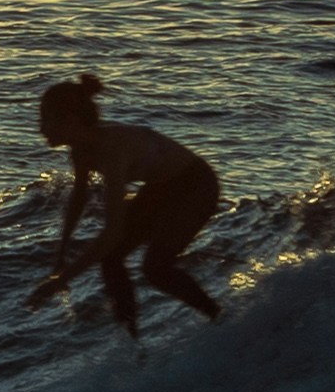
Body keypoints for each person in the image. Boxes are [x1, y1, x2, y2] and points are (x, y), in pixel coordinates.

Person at [29, 78, 230, 333]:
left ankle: (219, 318)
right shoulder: (81, 150)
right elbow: (78, 199)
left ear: (69, 120)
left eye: (45, 120)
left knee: (155, 267)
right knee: (111, 259)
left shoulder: (113, 151)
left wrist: (60, 280)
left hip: (196, 185)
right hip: (161, 187)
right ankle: (130, 339)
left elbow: (111, 233)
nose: (41, 129)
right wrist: (61, 254)